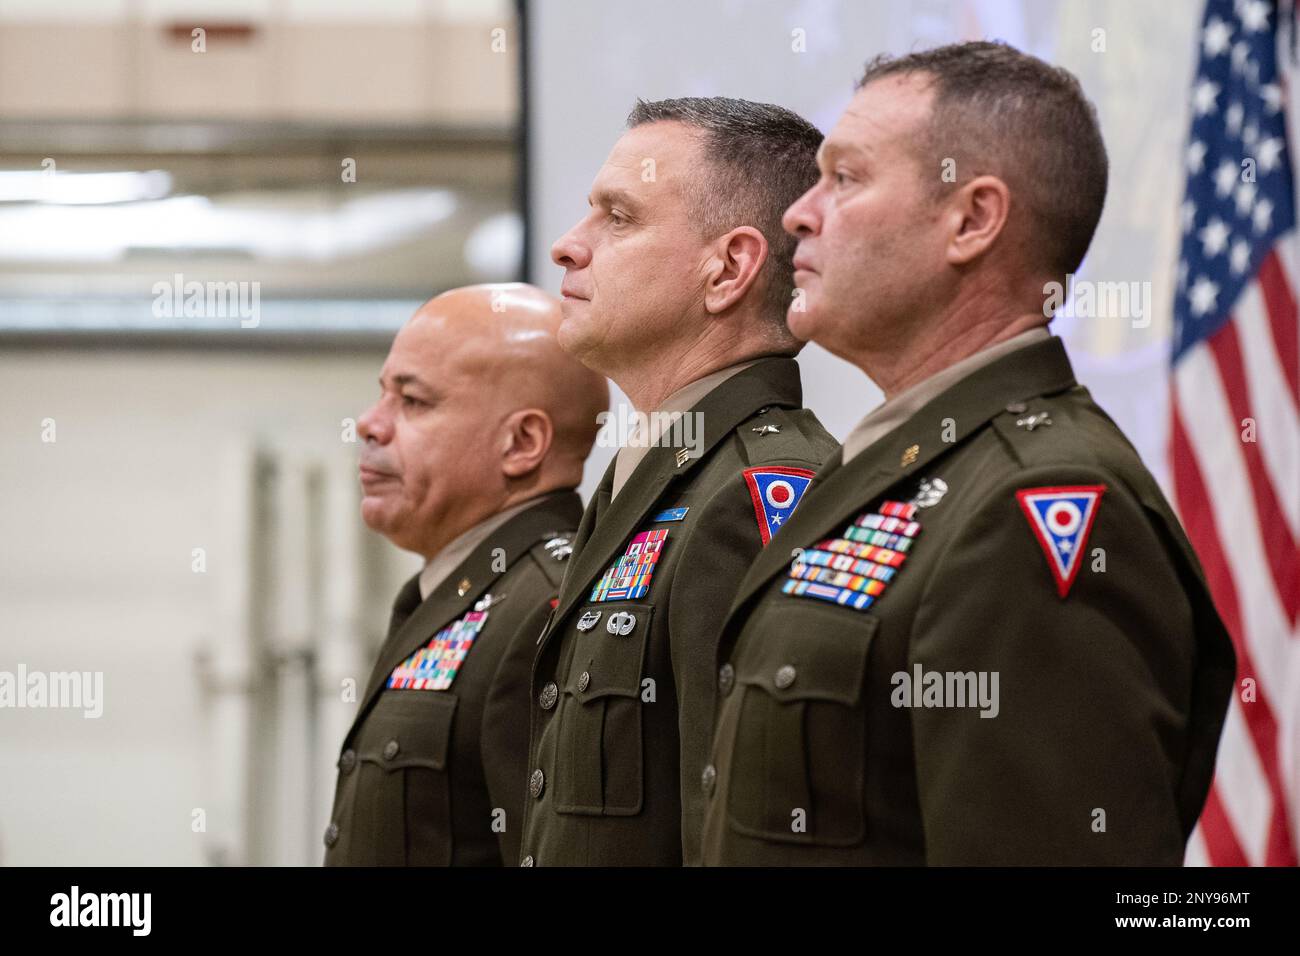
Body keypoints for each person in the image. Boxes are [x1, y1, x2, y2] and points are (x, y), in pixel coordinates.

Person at [700, 42, 1236, 865]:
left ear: (974, 220)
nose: (798, 214)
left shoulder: (1039, 502)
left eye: (845, 178)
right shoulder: (903, 467)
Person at [518, 96, 838, 866]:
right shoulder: (658, 476)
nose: (567, 246)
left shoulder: (757, 495)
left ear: (727, 268)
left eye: (617, 219)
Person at [324, 283, 608, 866]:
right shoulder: (464, 587)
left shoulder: (545, 607)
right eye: (382, 394)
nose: (370, 425)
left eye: (414, 402)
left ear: (522, 443)